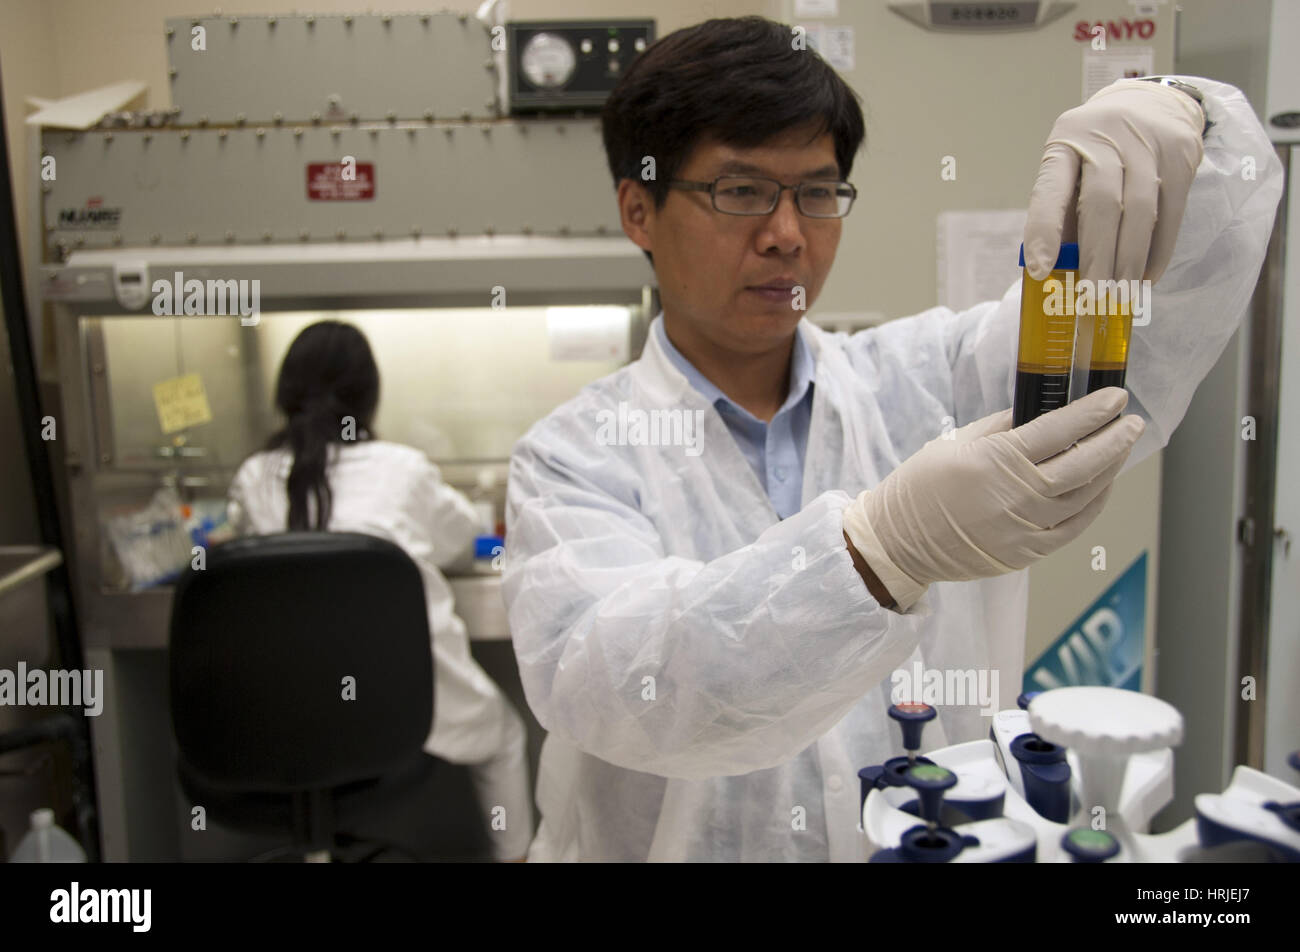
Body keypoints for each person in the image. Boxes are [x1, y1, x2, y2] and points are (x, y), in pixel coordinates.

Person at [501, 17, 1284, 861]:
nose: (788, 234)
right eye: (741, 191)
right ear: (638, 210)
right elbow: (621, 683)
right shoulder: (573, 457)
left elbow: (1146, 334)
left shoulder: (929, 382)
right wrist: (877, 551)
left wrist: (1181, 116)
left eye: (817, 191)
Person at [226, 320, 533, 861]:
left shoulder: (255, 477)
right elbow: (461, 541)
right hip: (392, 711)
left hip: (281, 715)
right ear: (370, 396)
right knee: (505, 737)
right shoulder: (403, 470)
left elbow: (243, 549)